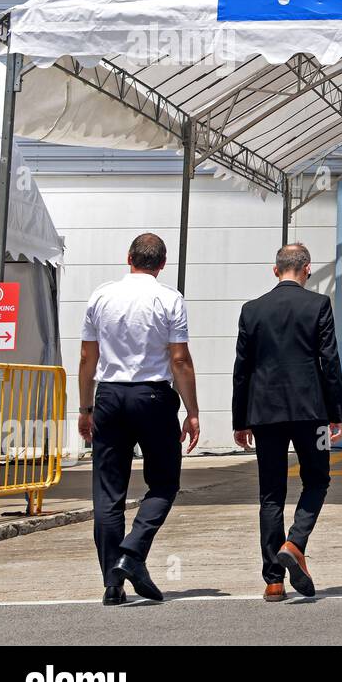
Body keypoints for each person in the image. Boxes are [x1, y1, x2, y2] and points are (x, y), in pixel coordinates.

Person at [78, 232, 200, 606]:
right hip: (153, 396)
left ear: (127, 257)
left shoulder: (101, 295)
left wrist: (85, 408)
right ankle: (132, 552)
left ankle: (112, 584)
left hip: (110, 396)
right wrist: (192, 410)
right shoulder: (169, 298)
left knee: (108, 492)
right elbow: (179, 359)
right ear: (162, 264)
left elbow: (87, 357)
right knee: (164, 482)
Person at [232, 243, 342, 602]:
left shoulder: (252, 310)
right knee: (318, 479)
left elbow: (242, 370)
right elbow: (329, 360)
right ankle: (295, 543)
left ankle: (273, 581)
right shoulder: (318, 305)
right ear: (308, 269)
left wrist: (241, 419)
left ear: (275, 269)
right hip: (310, 412)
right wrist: (336, 413)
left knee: (270, 493)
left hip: (265, 413)